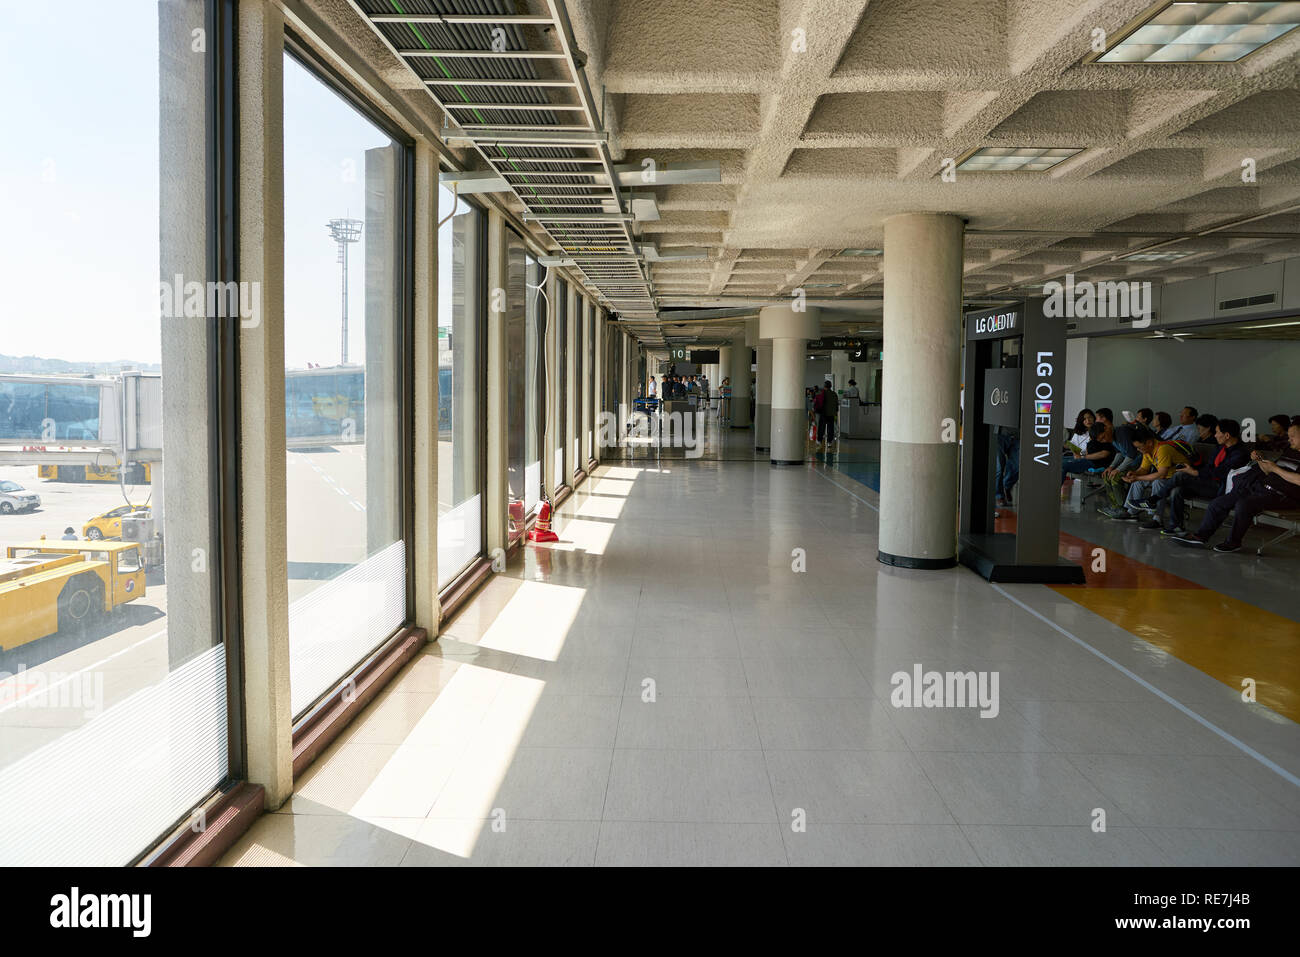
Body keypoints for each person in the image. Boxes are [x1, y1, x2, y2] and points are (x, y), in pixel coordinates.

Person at [1174, 422, 1300, 552]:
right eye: (1289, 436)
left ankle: (1233, 542)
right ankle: (1200, 537)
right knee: (1218, 503)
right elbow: (1269, 471)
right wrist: (1260, 460)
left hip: (1283, 496)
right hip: (1261, 487)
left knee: (1244, 504)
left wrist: (1275, 468)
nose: (1289, 439)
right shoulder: (1290, 451)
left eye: (1293, 436)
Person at [1143, 418, 1249, 535]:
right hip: (1208, 483)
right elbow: (1209, 467)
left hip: (1222, 487)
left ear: (1227, 435)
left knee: (1180, 475)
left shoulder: (1240, 453)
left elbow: (1222, 472)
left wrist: (1195, 473)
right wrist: (1195, 471)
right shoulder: (1220, 448)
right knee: (1177, 490)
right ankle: (1176, 526)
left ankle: (1154, 499)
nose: (1215, 435)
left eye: (1217, 432)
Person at [1100, 430, 1189, 520]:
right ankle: (1131, 512)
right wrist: (1134, 474)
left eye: (1139, 447)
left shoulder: (1162, 449)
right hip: (1166, 477)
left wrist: (1137, 477)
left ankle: (1156, 518)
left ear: (1149, 443)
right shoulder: (1147, 451)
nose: (1138, 450)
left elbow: (1161, 474)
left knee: (1157, 483)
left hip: (1180, 479)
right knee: (1137, 482)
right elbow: (1144, 469)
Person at [1099, 422, 1152, 509]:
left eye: (1103, 437)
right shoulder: (1112, 438)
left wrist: (1118, 469)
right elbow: (1119, 453)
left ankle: (1124, 508)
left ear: (1106, 429)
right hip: (1130, 463)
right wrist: (1111, 467)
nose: (1104, 440)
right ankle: (1115, 506)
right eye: (1101, 440)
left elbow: (1131, 455)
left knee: (1115, 477)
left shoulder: (1121, 432)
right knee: (1107, 476)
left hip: (1139, 463)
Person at [813, 382, 838, 449]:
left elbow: (817, 403)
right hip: (831, 414)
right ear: (831, 386)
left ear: (824, 386)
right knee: (831, 428)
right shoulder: (834, 394)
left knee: (821, 428)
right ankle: (829, 442)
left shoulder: (822, 393)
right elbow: (836, 404)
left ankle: (819, 441)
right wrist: (835, 412)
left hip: (824, 413)